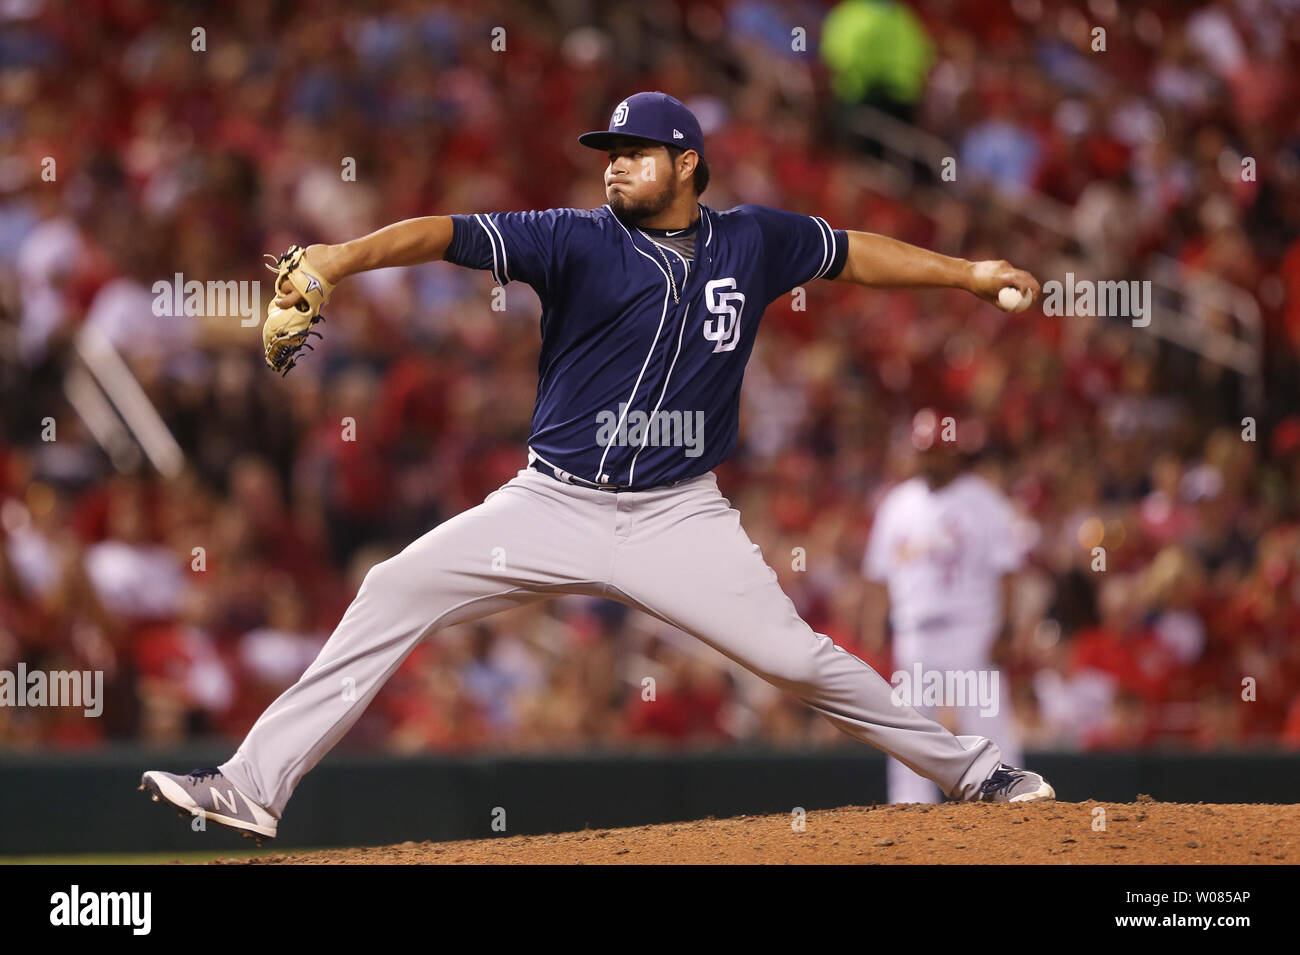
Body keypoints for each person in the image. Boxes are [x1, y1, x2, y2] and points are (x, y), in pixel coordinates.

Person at [141, 92, 1052, 843]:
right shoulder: (574, 237)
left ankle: (977, 769)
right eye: (608, 151)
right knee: (392, 584)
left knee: (801, 661)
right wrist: (341, 256)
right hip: (551, 504)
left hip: (678, 519)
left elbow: (854, 253)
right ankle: (251, 783)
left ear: (687, 163)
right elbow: (444, 232)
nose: (613, 163)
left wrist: (968, 274)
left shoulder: (754, 240)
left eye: (636, 150)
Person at [862, 410, 1032, 804]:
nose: (928, 460)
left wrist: (1006, 630)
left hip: (971, 629)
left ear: (954, 453)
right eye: (923, 452)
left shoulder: (984, 501)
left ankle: (1013, 809)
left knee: (989, 724)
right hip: (914, 632)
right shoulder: (898, 503)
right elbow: (878, 575)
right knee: (908, 729)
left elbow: (1008, 571)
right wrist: (874, 631)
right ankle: (909, 810)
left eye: (936, 452)